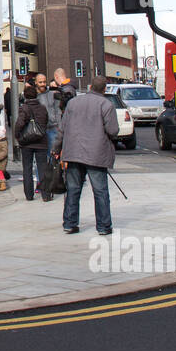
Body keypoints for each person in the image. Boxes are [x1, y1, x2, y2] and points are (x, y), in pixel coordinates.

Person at [57, 78, 119, 235]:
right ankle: (104, 226)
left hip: (73, 152)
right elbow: (113, 130)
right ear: (104, 89)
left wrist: (56, 148)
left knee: (73, 189)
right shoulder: (106, 104)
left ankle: (70, 224)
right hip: (96, 153)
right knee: (100, 191)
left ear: (90, 87)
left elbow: (62, 128)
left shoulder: (73, 103)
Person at [14, 83, 51, 201]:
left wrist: (18, 136)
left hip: (27, 142)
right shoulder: (42, 108)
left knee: (27, 168)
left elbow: (19, 123)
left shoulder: (24, 108)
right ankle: (46, 195)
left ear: (25, 96)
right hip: (41, 141)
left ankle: (29, 195)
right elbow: (46, 121)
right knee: (43, 168)